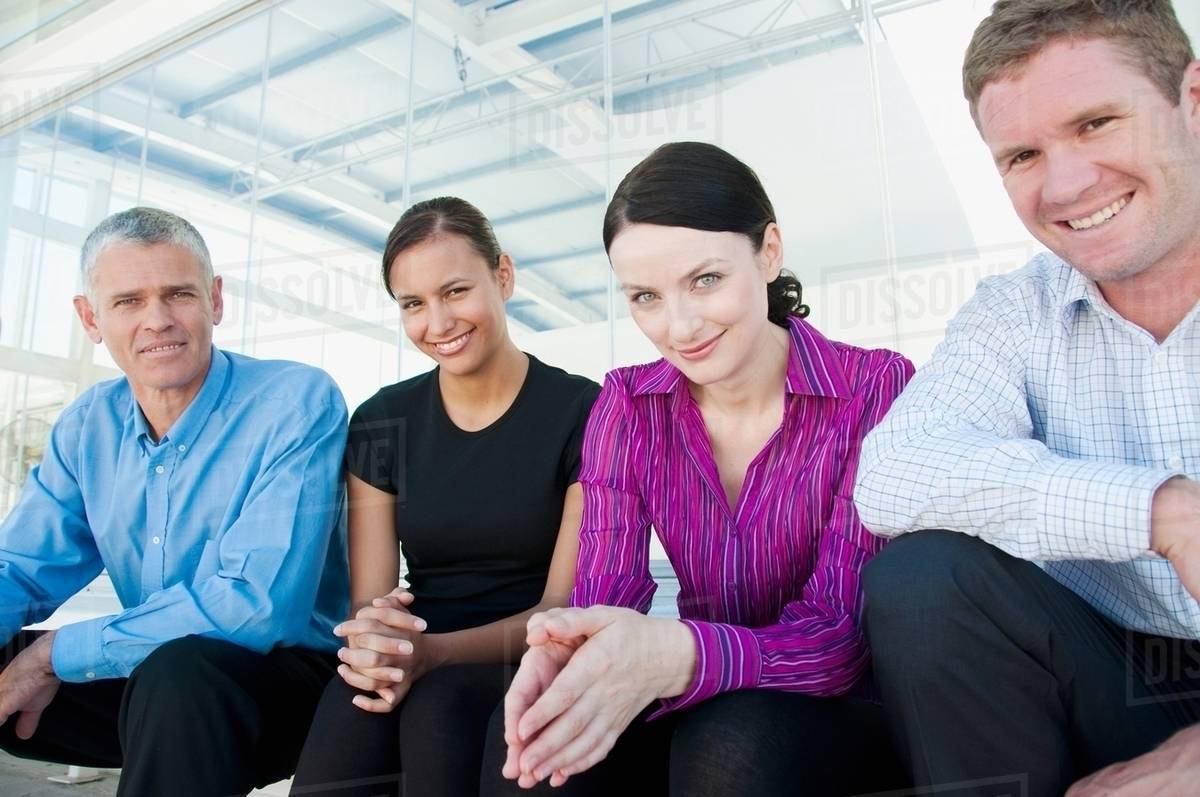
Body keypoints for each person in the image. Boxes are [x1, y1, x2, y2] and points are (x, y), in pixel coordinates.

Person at [481, 142, 913, 796]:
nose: (679, 327)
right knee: (530, 735)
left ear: (769, 251)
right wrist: (571, 653)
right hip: (699, 694)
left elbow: (838, 640)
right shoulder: (627, 404)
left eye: (705, 280)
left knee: (733, 740)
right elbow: (608, 597)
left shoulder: (875, 387)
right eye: (645, 296)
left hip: (842, 709)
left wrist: (677, 654)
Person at [853, 2, 1200, 795]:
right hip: (1117, 671)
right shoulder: (1017, 311)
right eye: (1023, 155)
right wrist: (1164, 512)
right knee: (923, 578)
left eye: (1097, 123)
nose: (1066, 185)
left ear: (1192, 100)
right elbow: (895, 470)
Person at [0, 206, 349, 795]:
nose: (157, 320)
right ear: (91, 317)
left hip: (285, 683)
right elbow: (21, 568)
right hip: (150, 681)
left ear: (215, 300)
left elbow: (257, 606)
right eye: (128, 301)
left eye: (179, 294)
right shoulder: (88, 425)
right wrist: (39, 656)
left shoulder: (294, 400)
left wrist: (53, 654)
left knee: (180, 672)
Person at [289, 197, 599, 797]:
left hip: (530, 649)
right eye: (413, 304)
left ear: (502, 276)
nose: (437, 323)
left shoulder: (584, 414)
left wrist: (430, 654)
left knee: (439, 710)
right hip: (415, 648)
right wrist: (379, 646)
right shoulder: (381, 421)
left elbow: (562, 609)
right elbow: (369, 602)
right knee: (350, 721)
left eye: (455, 291)